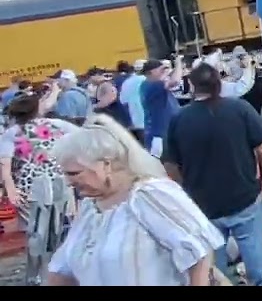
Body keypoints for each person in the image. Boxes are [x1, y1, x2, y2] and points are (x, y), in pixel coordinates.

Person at [47, 116, 225, 286]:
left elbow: (199, 252)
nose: (68, 182)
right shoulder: (90, 208)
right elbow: (62, 269)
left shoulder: (150, 195)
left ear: (105, 164)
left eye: (74, 173)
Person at [163, 63, 262, 286]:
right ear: (219, 82)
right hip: (244, 194)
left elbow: (170, 164)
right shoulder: (240, 108)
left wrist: (185, 189)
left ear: (192, 85)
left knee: (213, 263)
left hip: (203, 203)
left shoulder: (179, 119)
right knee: (254, 250)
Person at [0, 91, 78, 285]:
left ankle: (38, 275)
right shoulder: (57, 125)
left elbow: (5, 164)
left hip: (30, 187)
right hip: (60, 183)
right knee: (60, 229)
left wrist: (10, 189)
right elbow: (83, 138)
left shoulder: (13, 133)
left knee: (36, 232)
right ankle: (60, 271)